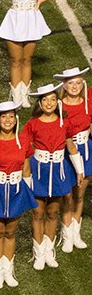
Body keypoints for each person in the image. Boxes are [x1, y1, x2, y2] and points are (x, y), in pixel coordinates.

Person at [21, 84, 83, 271]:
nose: (49, 103)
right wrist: (25, 176)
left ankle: (49, 251)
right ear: (40, 103)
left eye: (53, 100)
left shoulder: (65, 122)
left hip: (58, 171)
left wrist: (79, 170)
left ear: (58, 102)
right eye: (45, 100)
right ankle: (38, 252)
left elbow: (71, 147)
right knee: (38, 212)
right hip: (39, 171)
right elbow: (23, 149)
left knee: (53, 212)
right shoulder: (32, 123)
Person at [0, 101, 35, 288]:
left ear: (16, 119)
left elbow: (26, 168)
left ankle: (8, 271)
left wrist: (27, 194)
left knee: (11, 231)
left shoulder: (24, 141)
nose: (8, 120)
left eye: (11, 116)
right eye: (3, 117)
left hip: (17, 189)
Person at [56, 67, 92, 251]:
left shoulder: (88, 102)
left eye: (78, 82)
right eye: (70, 83)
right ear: (64, 85)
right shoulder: (58, 105)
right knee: (67, 195)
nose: (75, 86)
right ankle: (66, 232)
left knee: (79, 194)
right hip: (65, 153)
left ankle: (75, 232)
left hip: (86, 149)